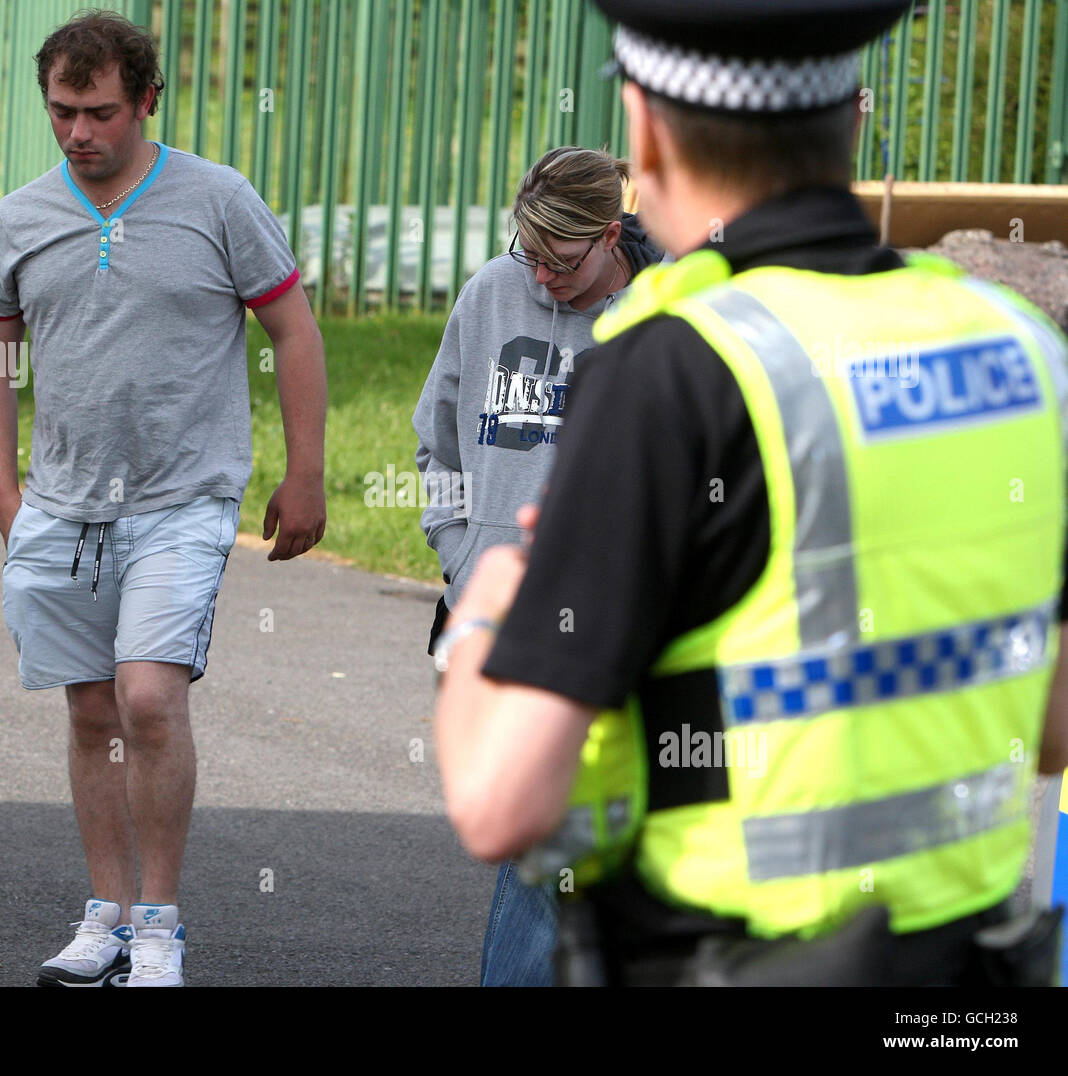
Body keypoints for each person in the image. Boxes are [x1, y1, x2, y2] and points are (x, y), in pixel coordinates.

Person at [434, 0, 1068, 987]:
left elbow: (499, 800)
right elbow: (1052, 724)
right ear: (853, 125)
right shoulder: (1021, 348)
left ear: (642, 131)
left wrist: (487, 601)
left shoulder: (670, 366)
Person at [0, 11, 326, 987]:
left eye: (99, 112)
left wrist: (306, 472)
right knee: (91, 713)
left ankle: (160, 923)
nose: (78, 132)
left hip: (183, 495)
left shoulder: (218, 200)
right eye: (61, 111)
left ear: (147, 102)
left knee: (149, 699)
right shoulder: (19, 219)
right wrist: (6, 490)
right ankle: (106, 915)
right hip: (63, 505)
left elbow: (292, 330)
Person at [413, 147, 663, 985]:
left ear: (609, 234)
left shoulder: (657, 321)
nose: (543, 277)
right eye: (531, 255)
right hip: (496, 614)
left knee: (559, 836)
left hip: (607, 625)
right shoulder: (491, 293)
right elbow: (436, 441)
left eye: (563, 261)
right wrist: (461, 555)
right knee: (537, 840)